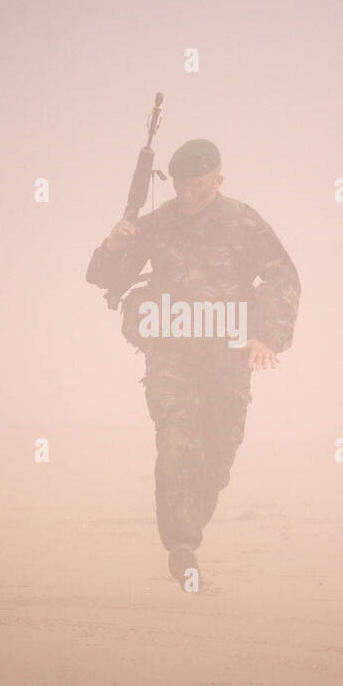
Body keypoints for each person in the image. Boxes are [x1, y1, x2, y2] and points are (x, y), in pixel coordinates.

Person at [86, 139, 301, 585]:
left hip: (228, 360)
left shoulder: (244, 222)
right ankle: (181, 545)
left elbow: (283, 275)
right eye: (183, 186)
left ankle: (189, 528)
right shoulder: (157, 224)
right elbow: (105, 279)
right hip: (172, 357)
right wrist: (112, 245)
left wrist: (267, 337)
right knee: (177, 440)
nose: (189, 195)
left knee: (218, 457)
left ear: (218, 180)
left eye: (199, 186)